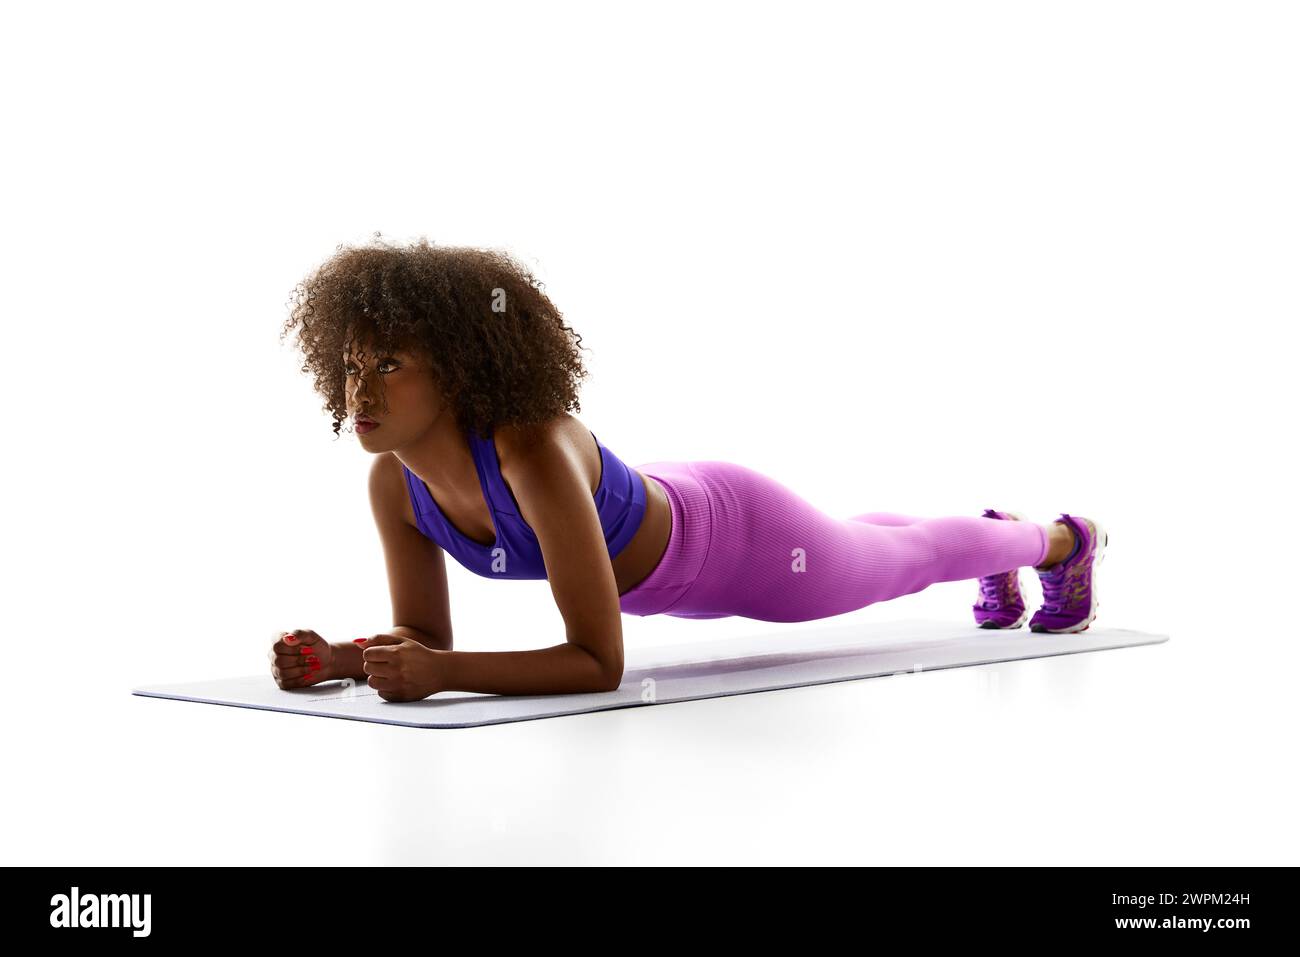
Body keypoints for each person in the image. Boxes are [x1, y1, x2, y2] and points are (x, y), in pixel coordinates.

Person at [268, 237, 1107, 702]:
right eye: (350, 365)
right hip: (665, 500)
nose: (359, 389)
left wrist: (443, 677)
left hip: (737, 542)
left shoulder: (528, 449)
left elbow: (599, 663)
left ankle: (1058, 542)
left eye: (388, 365)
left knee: (898, 563)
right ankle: (991, 544)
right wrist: (346, 658)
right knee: (873, 542)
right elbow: (427, 639)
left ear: (455, 368)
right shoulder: (394, 487)